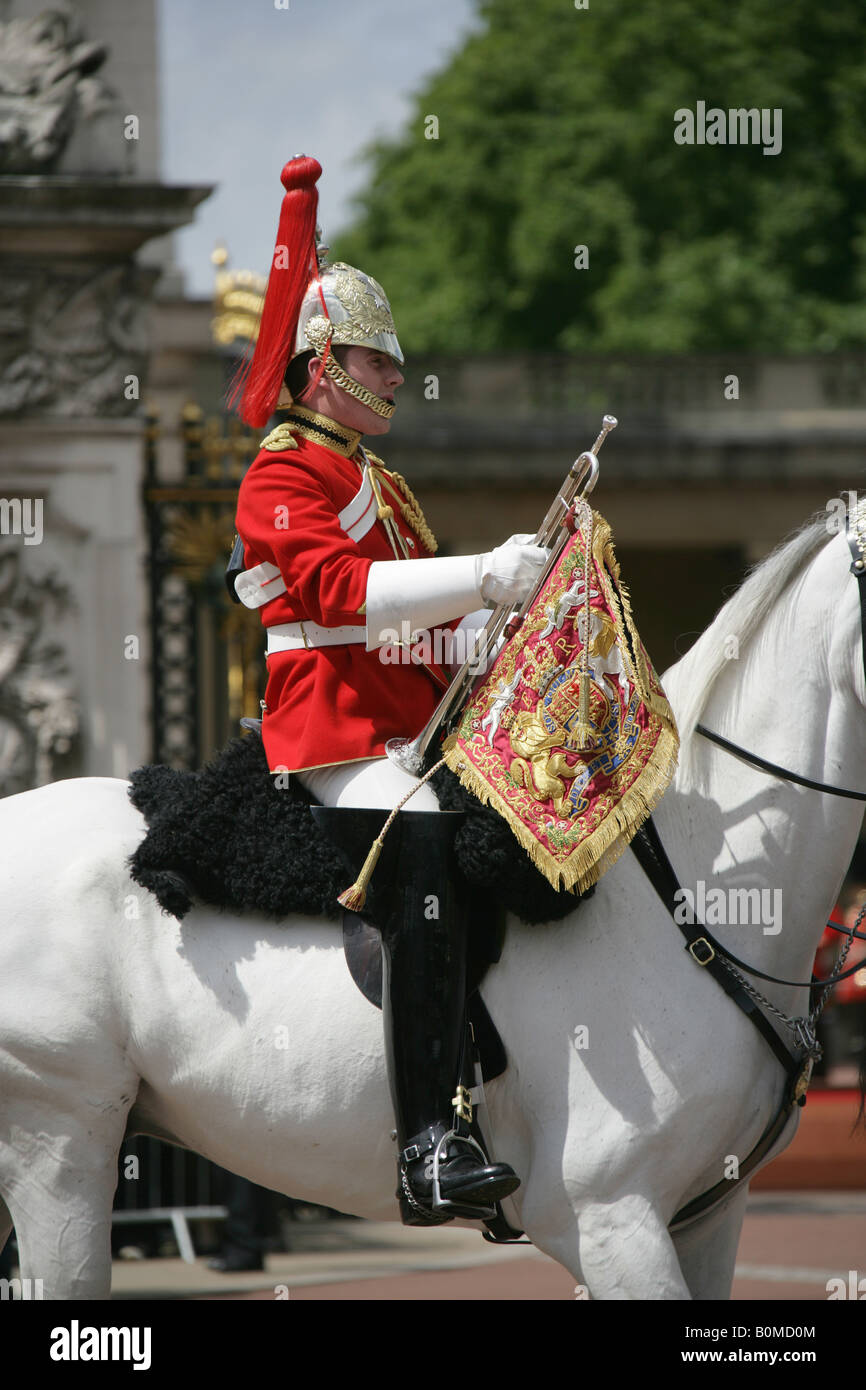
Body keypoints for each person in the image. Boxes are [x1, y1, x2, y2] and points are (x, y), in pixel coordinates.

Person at [230, 156, 546, 1224]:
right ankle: (425, 1139)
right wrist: (476, 573)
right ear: (324, 366)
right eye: (379, 358)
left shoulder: (375, 482)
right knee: (417, 845)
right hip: (331, 742)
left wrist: (500, 619)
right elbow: (334, 590)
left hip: (400, 732)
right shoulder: (282, 474)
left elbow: (419, 627)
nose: (398, 375)